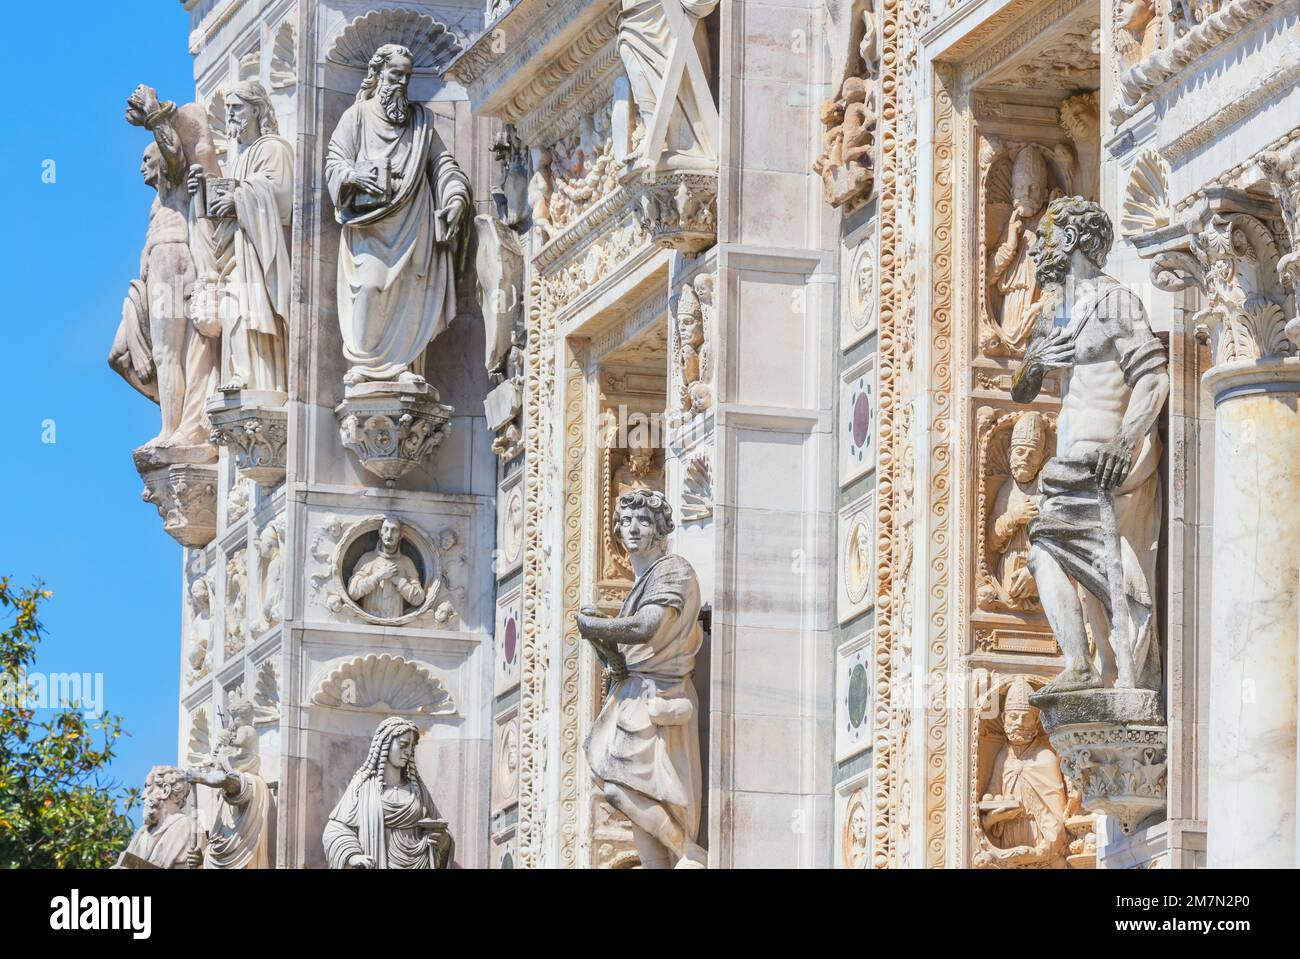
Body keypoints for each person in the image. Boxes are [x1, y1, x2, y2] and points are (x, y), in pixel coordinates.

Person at [325, 43, 471, 387]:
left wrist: (454, 197)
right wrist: (355, 175)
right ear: (377, 75)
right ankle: (364, 365)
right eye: (395, 75)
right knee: (370, 286)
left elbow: (443, 166)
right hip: (369, 224)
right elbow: (335, 162)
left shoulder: (420, 123)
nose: (402, 83)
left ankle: (403, 364)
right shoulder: (357, 116)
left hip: (413, 224)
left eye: (406, 76)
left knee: (412, 292)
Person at [577, 489, 706, 869]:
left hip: (659, 696)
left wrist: (596, 625)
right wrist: (604, 644)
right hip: (633, 694)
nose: (634, 528)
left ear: (660, 529)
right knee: (622, 789)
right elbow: (627, 650)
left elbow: (648, 626)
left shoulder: (673, 570)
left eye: (644, 521)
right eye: (627, 521)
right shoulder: (643, 580)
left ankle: (686, 850)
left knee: (624, 788)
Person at [323, 716, 454, 868]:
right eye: (403, 745)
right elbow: (336, 829)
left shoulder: (417, 789)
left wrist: (442, 840)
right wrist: (352, 855)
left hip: (419, 863)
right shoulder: (363, 786)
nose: (408, 752)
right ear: (385, 743)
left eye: (411, 747)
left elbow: (442, 831)